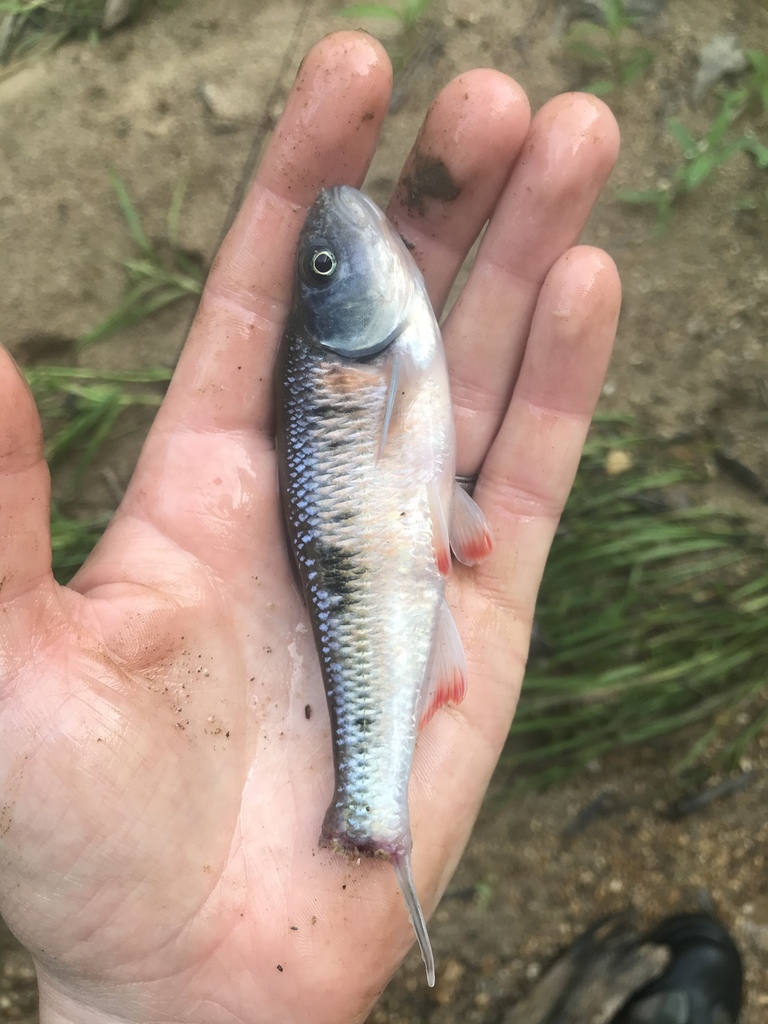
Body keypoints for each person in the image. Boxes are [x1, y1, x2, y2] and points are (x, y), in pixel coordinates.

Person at [0, 30, 620, 1024]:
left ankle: (372, 808)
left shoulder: (373, 357)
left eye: (318, 263)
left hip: (382, 556)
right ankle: (371, 810)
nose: (337, 244)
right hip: (382, 560)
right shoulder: (373, 352)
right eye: (327, 263)